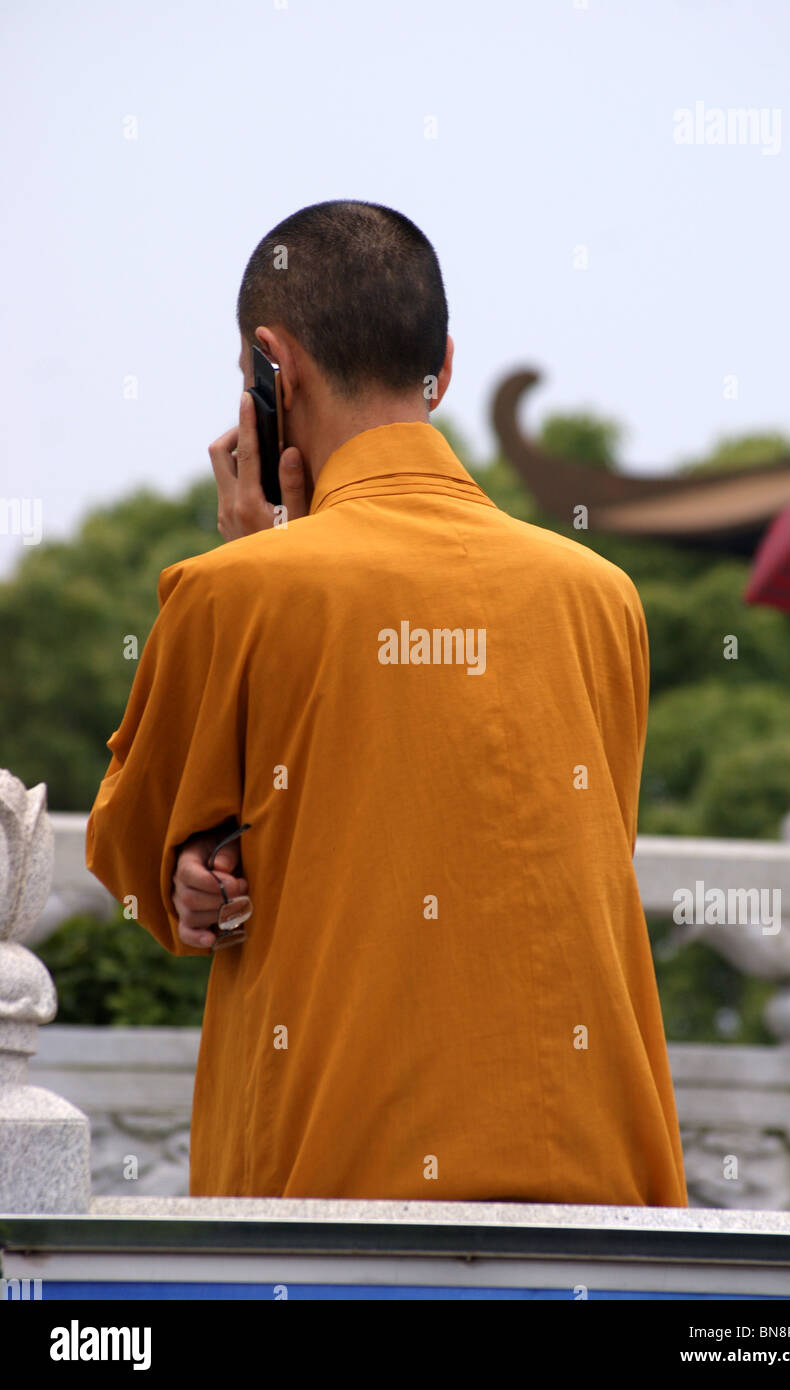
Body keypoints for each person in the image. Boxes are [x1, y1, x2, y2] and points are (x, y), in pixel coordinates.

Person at [86, 200, 688, 1205]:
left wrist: (261, 564)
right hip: (600, 1198)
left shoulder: (233, 592)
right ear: (442, 367)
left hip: (326, 1200)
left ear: (271, 372)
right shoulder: (600, 597)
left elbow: (133, 861)